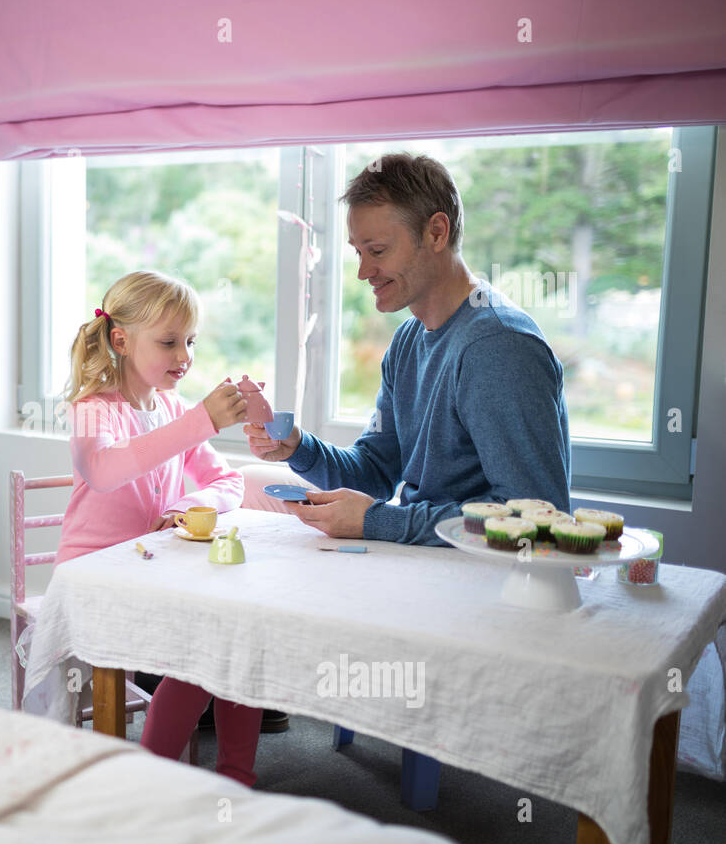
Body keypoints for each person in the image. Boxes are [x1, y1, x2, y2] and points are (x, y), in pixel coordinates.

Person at [244, 153, 570, 545]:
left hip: (487, 583)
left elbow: (536, 516)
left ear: (436, 232)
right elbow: (376, 471)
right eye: (358, 252)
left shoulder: (497, 347)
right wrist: (299, 447)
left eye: (377, 251)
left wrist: (378, 521)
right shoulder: (409, 340)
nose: (363, 272)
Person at [53, 269, 264, 787]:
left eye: (190, 341)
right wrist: (199, 423)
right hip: (94, 580)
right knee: (208, 649)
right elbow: (103, 470)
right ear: (121, 340)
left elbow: (227, 481)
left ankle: (236, 780)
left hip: (151, 568)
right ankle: (154, 777)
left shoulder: (170, 408)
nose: (184, 356)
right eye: (169, 342)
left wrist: (186, 506)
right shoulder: (90, 411)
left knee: (236, 635)